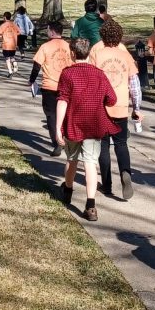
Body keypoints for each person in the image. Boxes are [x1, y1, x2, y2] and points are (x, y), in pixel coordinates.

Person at [55, 38, 118, 222]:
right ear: (89, 53)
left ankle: (67, 190)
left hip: (73, 123)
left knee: (72, 158)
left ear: (73, 53)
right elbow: (112, 99)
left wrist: (58, 127)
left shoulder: (67, 74)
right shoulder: (99, 74)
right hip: (94, 124)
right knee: (90, 162)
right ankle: (91, 206)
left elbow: (62, 100)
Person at [90, 18, 141, 201]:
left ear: (102, 35)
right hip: (120, 106)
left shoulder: (96, 50)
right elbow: (134, 85)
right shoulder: (125, 54)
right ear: (119, 35)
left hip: (101, 106)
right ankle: (125, 173)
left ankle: (107, 183)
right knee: (121, 144)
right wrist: (136, 107)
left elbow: (90, 79)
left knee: (102, 145)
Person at [30, 20, 74, 156]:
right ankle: (67, 138)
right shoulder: (68, 47)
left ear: (52, 31)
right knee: (66, 114)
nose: (47, 32)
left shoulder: (45, 47)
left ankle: (57, 143)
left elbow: (37, 65)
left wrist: (31, 80)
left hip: (50, 86)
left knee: (51, 116)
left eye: (48, 30)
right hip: (67, 86)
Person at [0, 11, 20, 77]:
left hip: (6, 44)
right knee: (12, 57)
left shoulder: (3, 25)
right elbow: (19, 32)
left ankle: (10, 71)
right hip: (13, 44)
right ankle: (15, 64)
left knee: (7, 58)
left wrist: (1, 36)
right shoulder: (14, 24)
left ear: (5, 17)